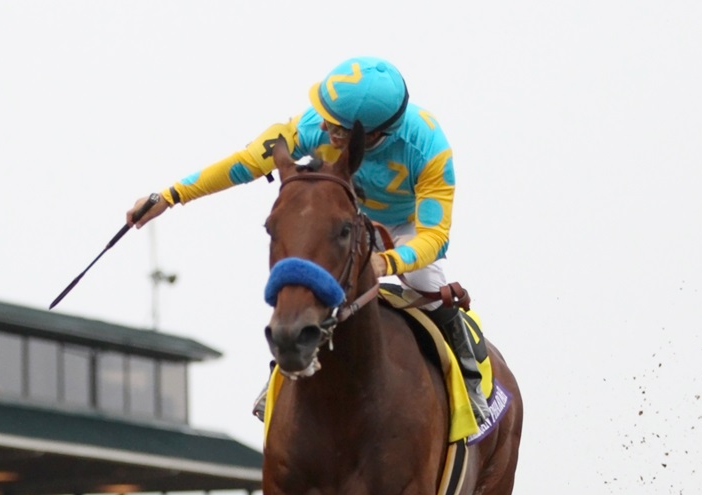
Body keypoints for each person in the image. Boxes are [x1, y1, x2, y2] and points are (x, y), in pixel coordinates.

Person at [126, 56, 490, 425]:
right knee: (306, 265)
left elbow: (434, 235)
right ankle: (281, 374)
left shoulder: (427, 148)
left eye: (339, 131)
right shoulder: (313, 126)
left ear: (378, 135)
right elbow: (242, 164)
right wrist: (169, 197)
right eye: (327, 120)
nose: (325, 131)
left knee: (427, 282)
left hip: (408, 226)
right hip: (351, 215)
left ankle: (468, 375)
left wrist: (386, 263)